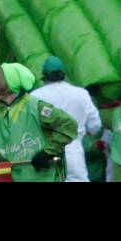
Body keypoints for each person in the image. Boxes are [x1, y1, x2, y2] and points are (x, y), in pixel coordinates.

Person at [0, 62, 78, 182]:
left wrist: (47, 152)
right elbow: (0, 144)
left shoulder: (36, 107)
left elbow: (69, 125)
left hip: (45, 178)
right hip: (15, 178)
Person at [32, 55, 103, 183]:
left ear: (44, 76)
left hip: (46, 154)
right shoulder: (81, 93)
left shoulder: (35, 96)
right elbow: (95, 125)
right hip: (74, 153)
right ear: (64, 74)